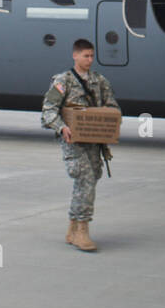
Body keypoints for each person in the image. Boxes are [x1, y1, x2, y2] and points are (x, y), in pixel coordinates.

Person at [41, 38, 119, 252]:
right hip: (72, 140)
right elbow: (48, 110)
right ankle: (82, 229)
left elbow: (112, 107)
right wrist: (61, 127)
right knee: (84, 178)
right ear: (75, 56)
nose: (89, 60)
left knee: (91, 178)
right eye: (86, 56)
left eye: (92, 56)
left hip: (94, 141)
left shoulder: (100, 81)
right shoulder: (62, 81)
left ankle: (73, 227)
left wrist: (108, 122)